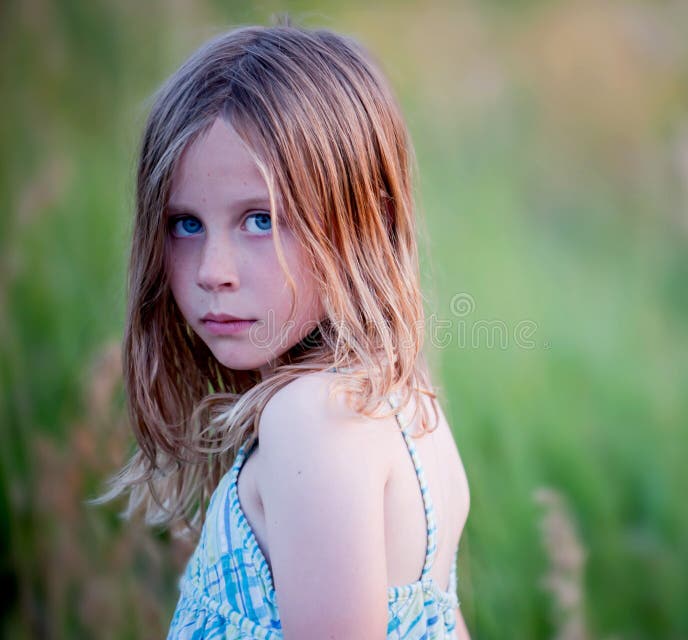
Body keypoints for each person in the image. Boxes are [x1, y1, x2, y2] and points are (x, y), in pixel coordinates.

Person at [91, 16, 472, 639]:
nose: (213, 272)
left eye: (261, 220)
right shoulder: (407, 405)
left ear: (363, 218)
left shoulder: (312, 421)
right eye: (185, 224)